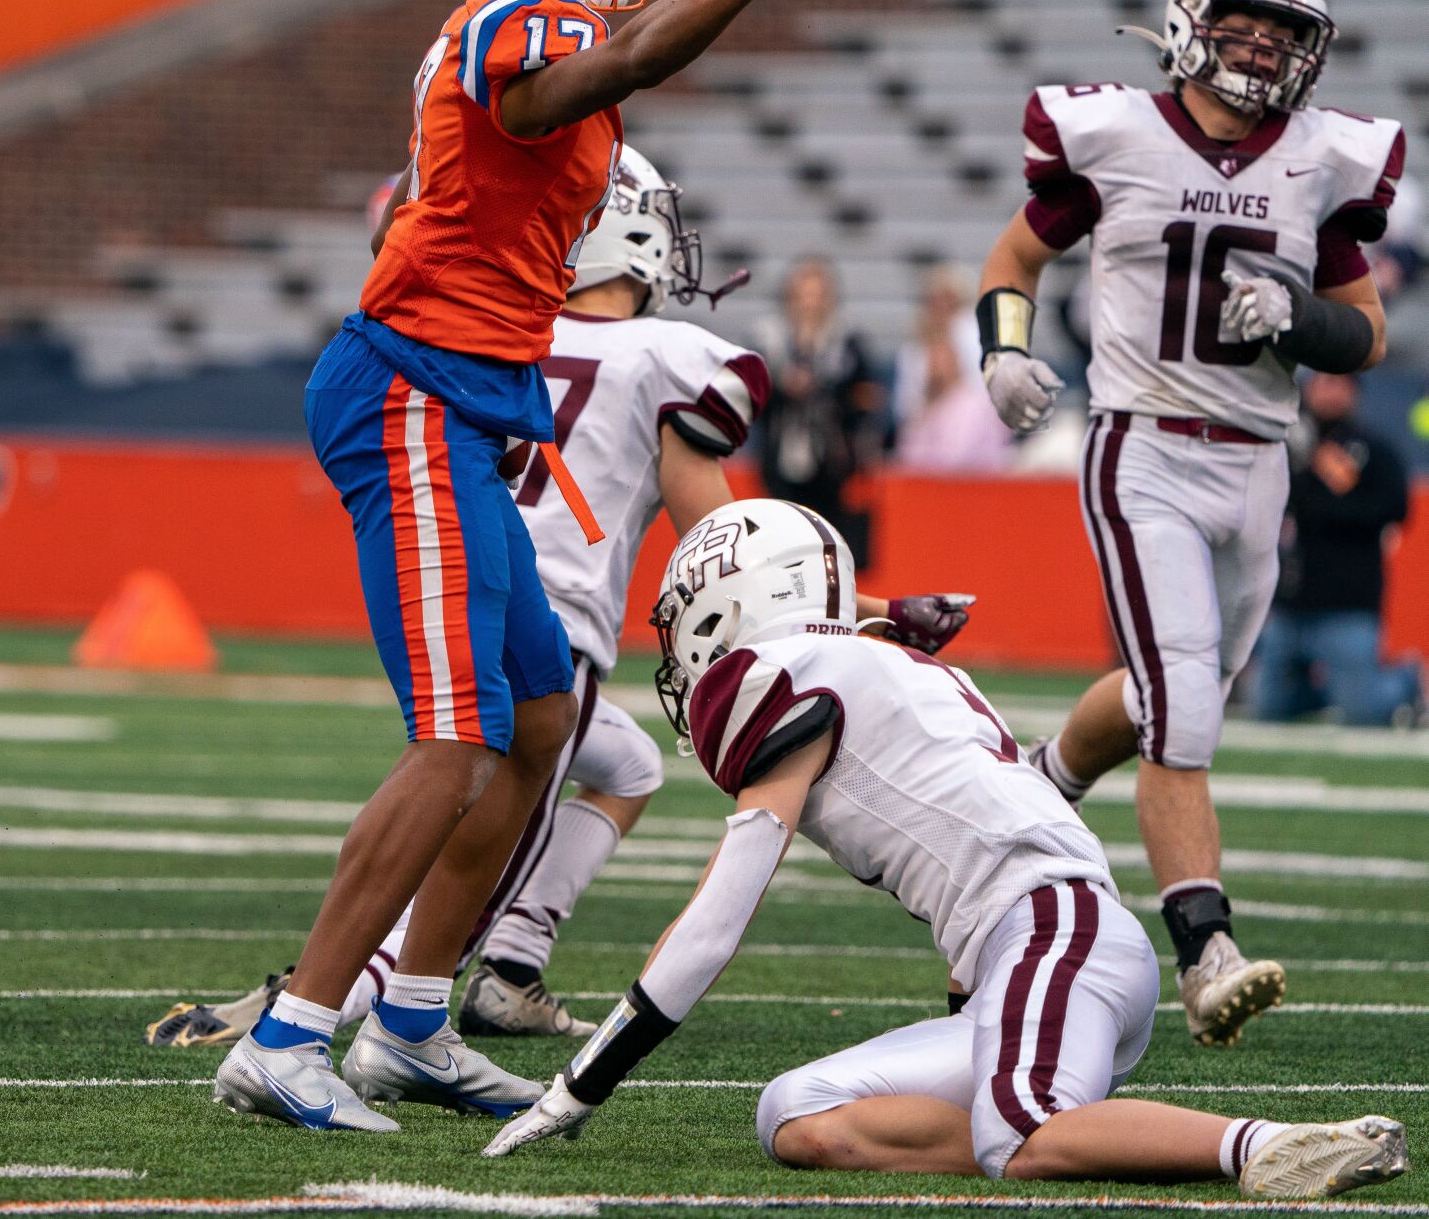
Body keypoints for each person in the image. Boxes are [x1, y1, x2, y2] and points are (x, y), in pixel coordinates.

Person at [212, 0, 869, 1131]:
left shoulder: (555, 44)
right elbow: (605, 61)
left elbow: (542, 166)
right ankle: (290, 1037)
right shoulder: (510, 30)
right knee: (455, 738)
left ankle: (408, 1021)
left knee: (537, 721)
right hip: (407, 392)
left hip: (463, 399)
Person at [155, 152, 966, 1052]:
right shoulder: (663, 358)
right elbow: (735, 554)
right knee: (477, 843)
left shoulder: (511, 333)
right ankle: (318, 1005)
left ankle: (510, 969)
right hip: (555, 631)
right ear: (627, 232)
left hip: (469, 581)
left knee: (624, 767)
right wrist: (877, 607)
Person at [478, 498, 1407, 1203]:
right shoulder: (896, 670)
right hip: (1038, 954)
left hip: (1054, 932)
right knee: (796, 1117)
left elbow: (717, 920)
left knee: (1022, 1136)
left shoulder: (782, 678)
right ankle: (1068, 1116)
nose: (685, 656)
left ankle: (1268, 1146)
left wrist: (583, 1082)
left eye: (690, 624)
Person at [972, 0, 1402, 1046]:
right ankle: (1205, 948)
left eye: (1284, 31)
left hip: (1261, 461)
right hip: (1144, 445)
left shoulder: (1324, 156)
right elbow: (1013, 259)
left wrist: (1301, 319)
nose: (1260, 46)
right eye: (1241, 22)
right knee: (1187, 701)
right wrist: (1004, 349)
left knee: (1171, 686)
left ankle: (1033, 789)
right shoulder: (1114, 133)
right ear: (1188, 21)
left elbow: (1369, 334)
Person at [1252, 372, 1421, 726]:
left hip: (1347, 603)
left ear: (1354, 393)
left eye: (1338, 384)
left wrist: (1324, 508)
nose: (1329, 393)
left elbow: (1395, 508)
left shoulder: (1373, 448)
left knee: (1365, 713)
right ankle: (1331, 691)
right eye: (1322, 383)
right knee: (1268, 708)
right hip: (1290, 604)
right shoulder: (1292, 447)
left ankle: (1405, 682)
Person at [757, 261, 882, 563]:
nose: (810, 305)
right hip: (781, 465)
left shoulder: (848, 343)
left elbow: (865, 400)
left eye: (817, 296)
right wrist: (784, 386)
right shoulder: (769, 341)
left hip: (833, 469)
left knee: (829, 554)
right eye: (803, 296)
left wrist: (826, 390)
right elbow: (753, 403)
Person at [892, 267, 1011, 471]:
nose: (934, 362)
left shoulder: (973, 404)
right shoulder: (921, 413)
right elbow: (907, 456)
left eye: (948, 300)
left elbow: (955, 460)